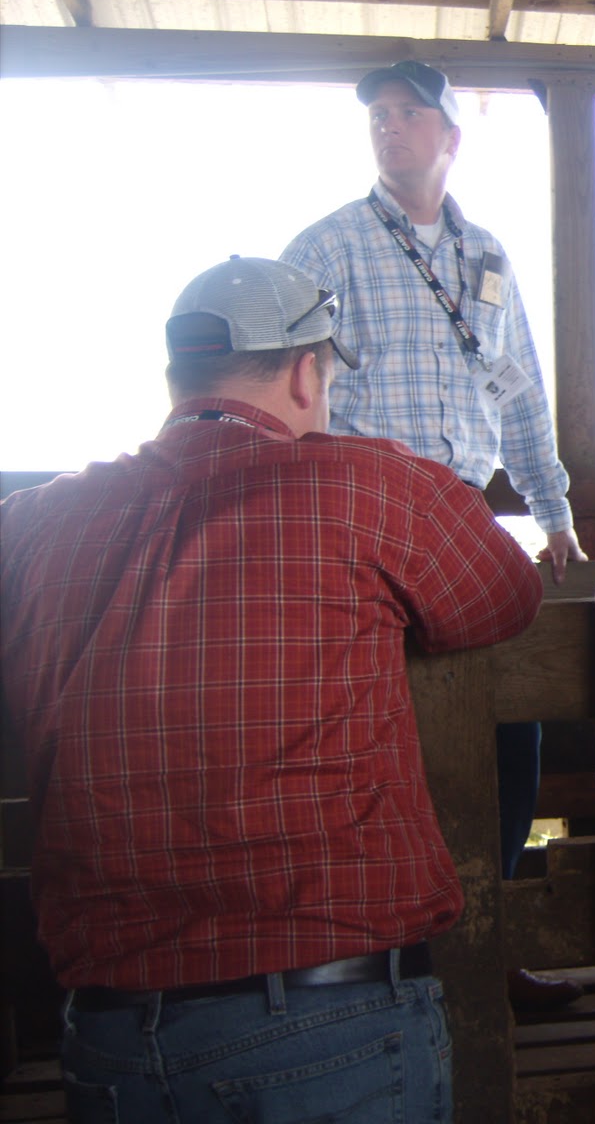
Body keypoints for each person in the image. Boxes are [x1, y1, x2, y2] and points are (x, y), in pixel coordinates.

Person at [0, 256, 543, 1121]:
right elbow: (507, 599)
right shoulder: (369, 484)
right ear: (304, 371)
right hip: (327, 1016)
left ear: (177, 378)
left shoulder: (28, 527)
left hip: (107, 1034)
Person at [281, 61, 582, 1005]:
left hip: (462, 509)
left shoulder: (487, 254)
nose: (390, 126)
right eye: (378, 113)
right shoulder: (325, 246)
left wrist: (556, 507)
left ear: (451, 137)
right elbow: (285, 386)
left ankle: (484, 947)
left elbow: (521, 388)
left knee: (511, 722)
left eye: (411, 113)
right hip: (362, 510)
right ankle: (385, 961)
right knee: (375, 734)